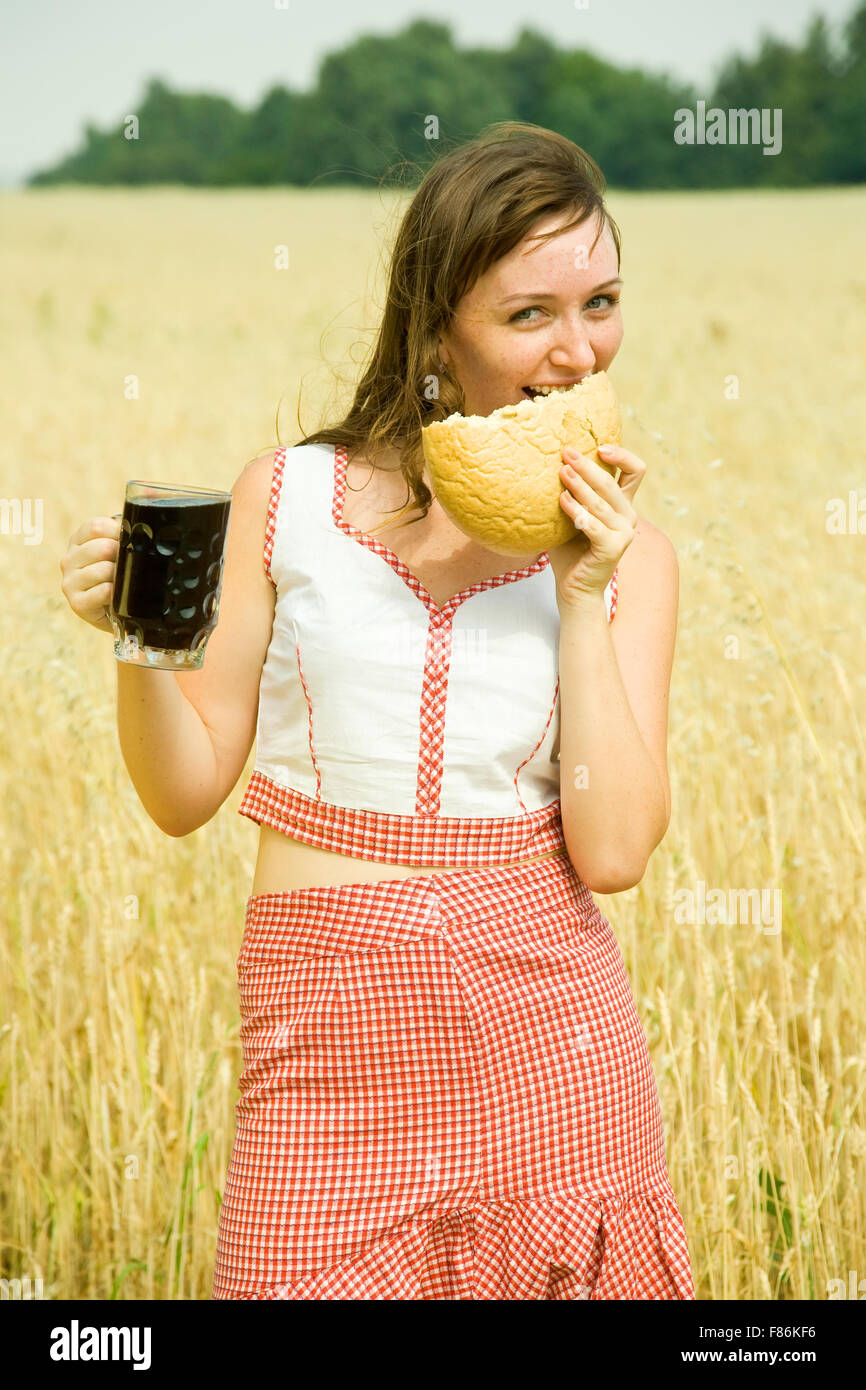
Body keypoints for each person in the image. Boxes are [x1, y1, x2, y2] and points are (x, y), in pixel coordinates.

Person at [59, 121, 694, 1301]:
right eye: (528, 316)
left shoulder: (631, 561)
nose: (577, 352)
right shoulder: (287, 498)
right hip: (325, 1057)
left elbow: (611, 853)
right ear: (437, 323)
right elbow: (181, 794)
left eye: (600, 303)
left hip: (552, 1048)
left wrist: (583, 588)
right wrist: (142, 642)